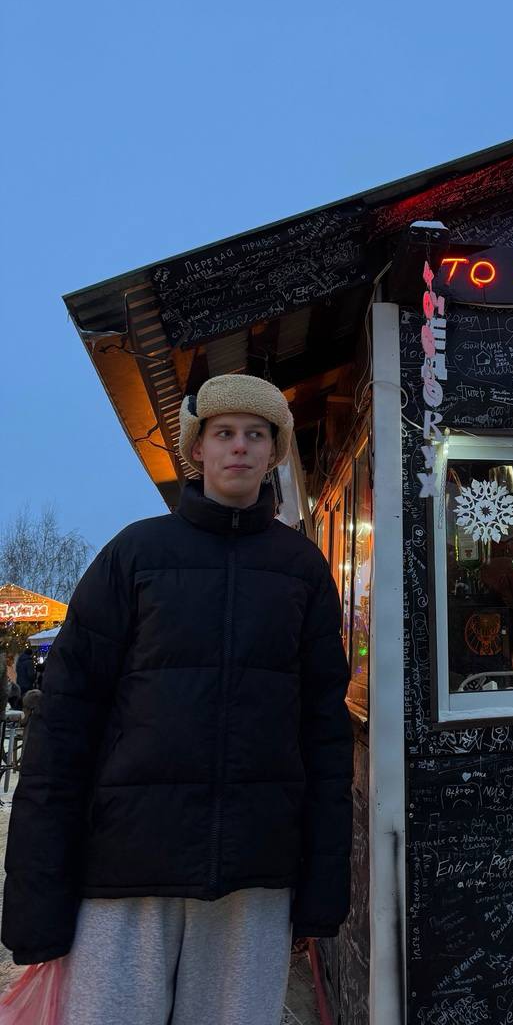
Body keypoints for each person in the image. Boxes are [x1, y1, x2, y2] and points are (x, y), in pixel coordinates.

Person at [1, 374, 353, 1025]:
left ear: (274, 453)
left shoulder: (302, 571)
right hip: (127, 873)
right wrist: (37, 899)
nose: (239, 448)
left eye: (255, 435)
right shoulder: (134, 557)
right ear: (197, 449)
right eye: (223, 434)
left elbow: (324, 737)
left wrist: (321, 890)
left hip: (254, 880)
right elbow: (65, 730)